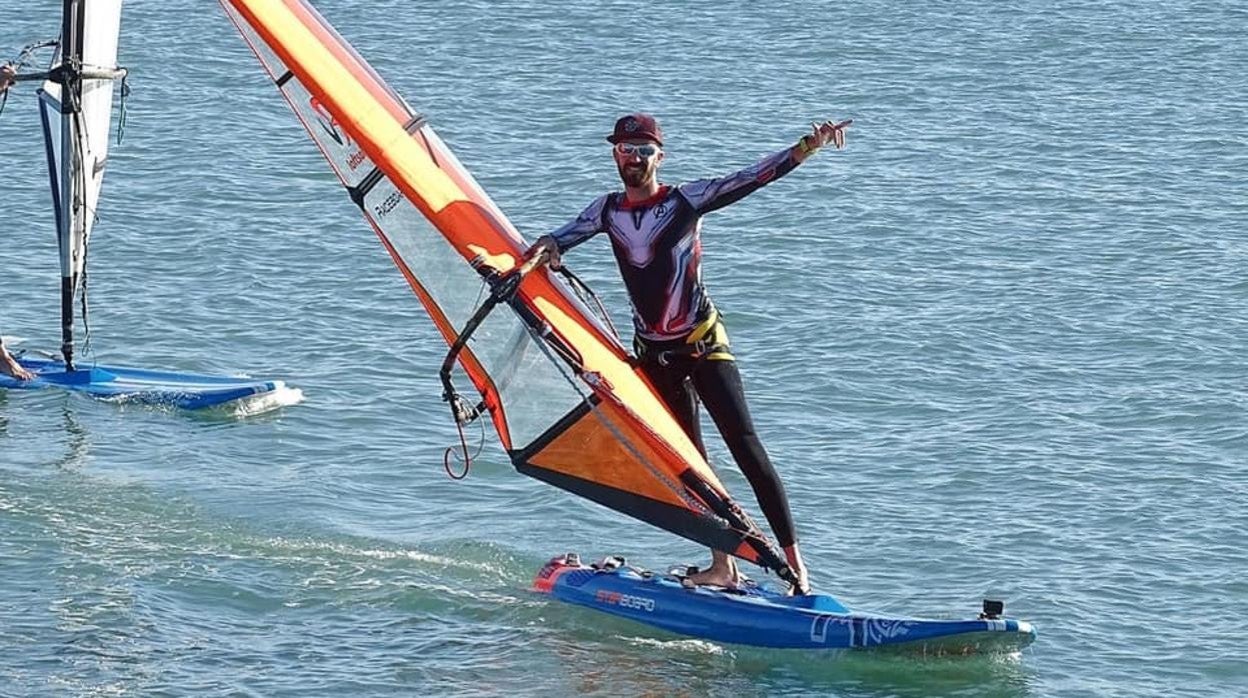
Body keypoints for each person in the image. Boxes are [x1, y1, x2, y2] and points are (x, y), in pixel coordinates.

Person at [527, 113, 850, 594]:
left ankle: (798, 569)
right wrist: (547, 249)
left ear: (659, 157)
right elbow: (561, 237)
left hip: (703, 346)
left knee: (746, 448)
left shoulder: (685, 200)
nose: (634, 159)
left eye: (644, 151)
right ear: (615, 155)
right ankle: (723, 566)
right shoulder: (606, 211)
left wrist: (805, 148)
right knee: (689, 463)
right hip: (655, 357)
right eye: (626, 150)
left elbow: (749, 179)